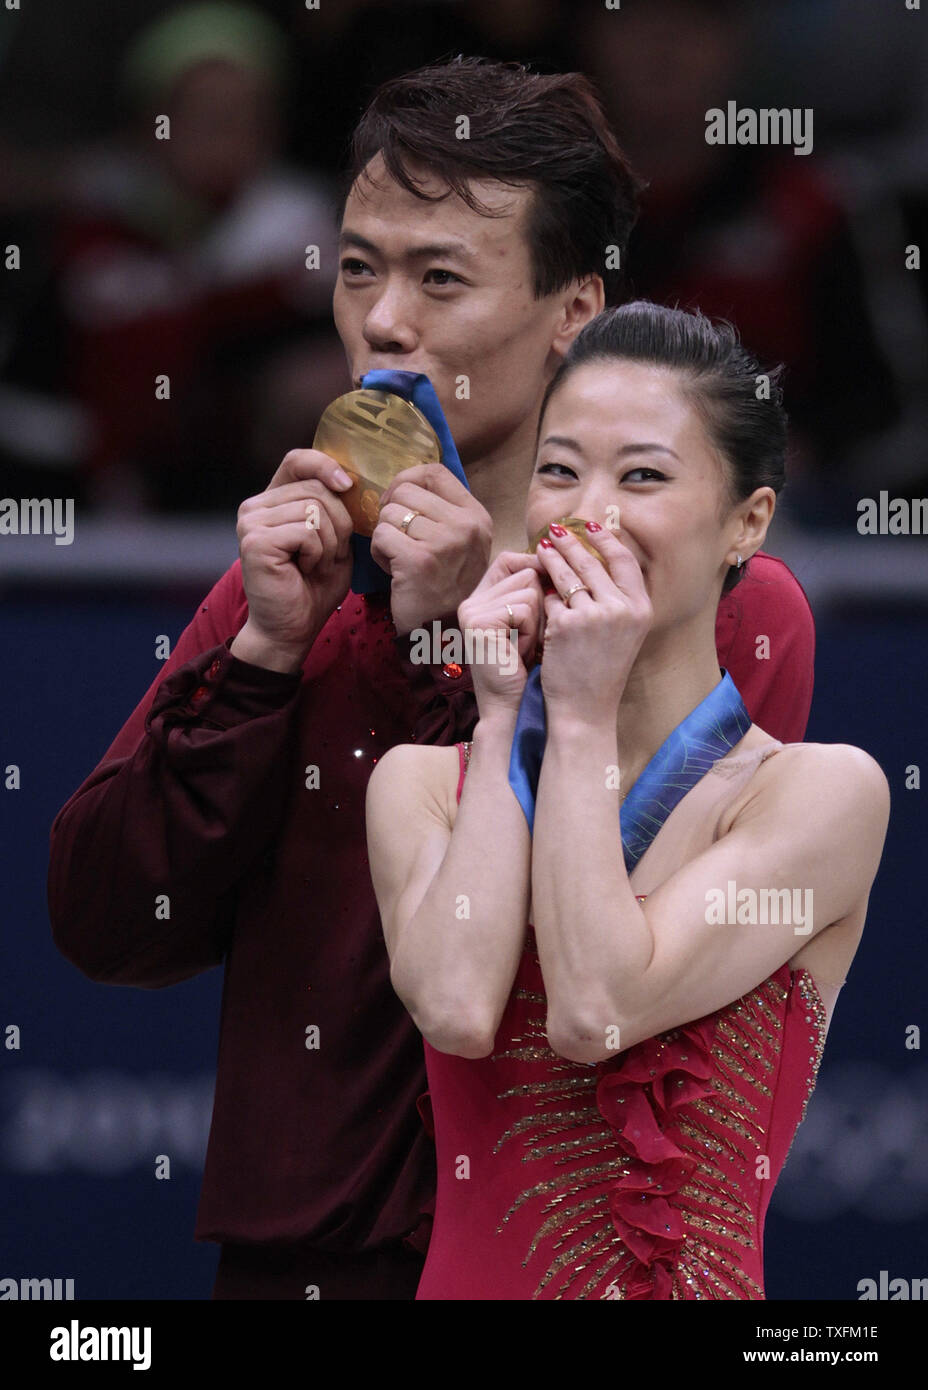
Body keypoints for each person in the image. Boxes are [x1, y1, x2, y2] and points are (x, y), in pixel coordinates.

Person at [48, 60, 814, 1301]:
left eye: (439, 276)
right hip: (299, 1267)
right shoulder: (283, 584)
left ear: (575, 309)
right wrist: (264, 660)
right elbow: (103, 924)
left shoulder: (725, 605)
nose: (383, 322)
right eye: (357, 269)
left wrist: (450, 633)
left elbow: (605, 976)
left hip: (570, 1266)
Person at [366, 301, 889, 1300]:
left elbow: (598, 1007)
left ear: (749, 521)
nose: (584, 513)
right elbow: (459, 1002)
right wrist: (499, 717)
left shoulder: (815, 795)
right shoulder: (425, 785)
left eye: (641, 475)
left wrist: (578, 717)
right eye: (558, 470)